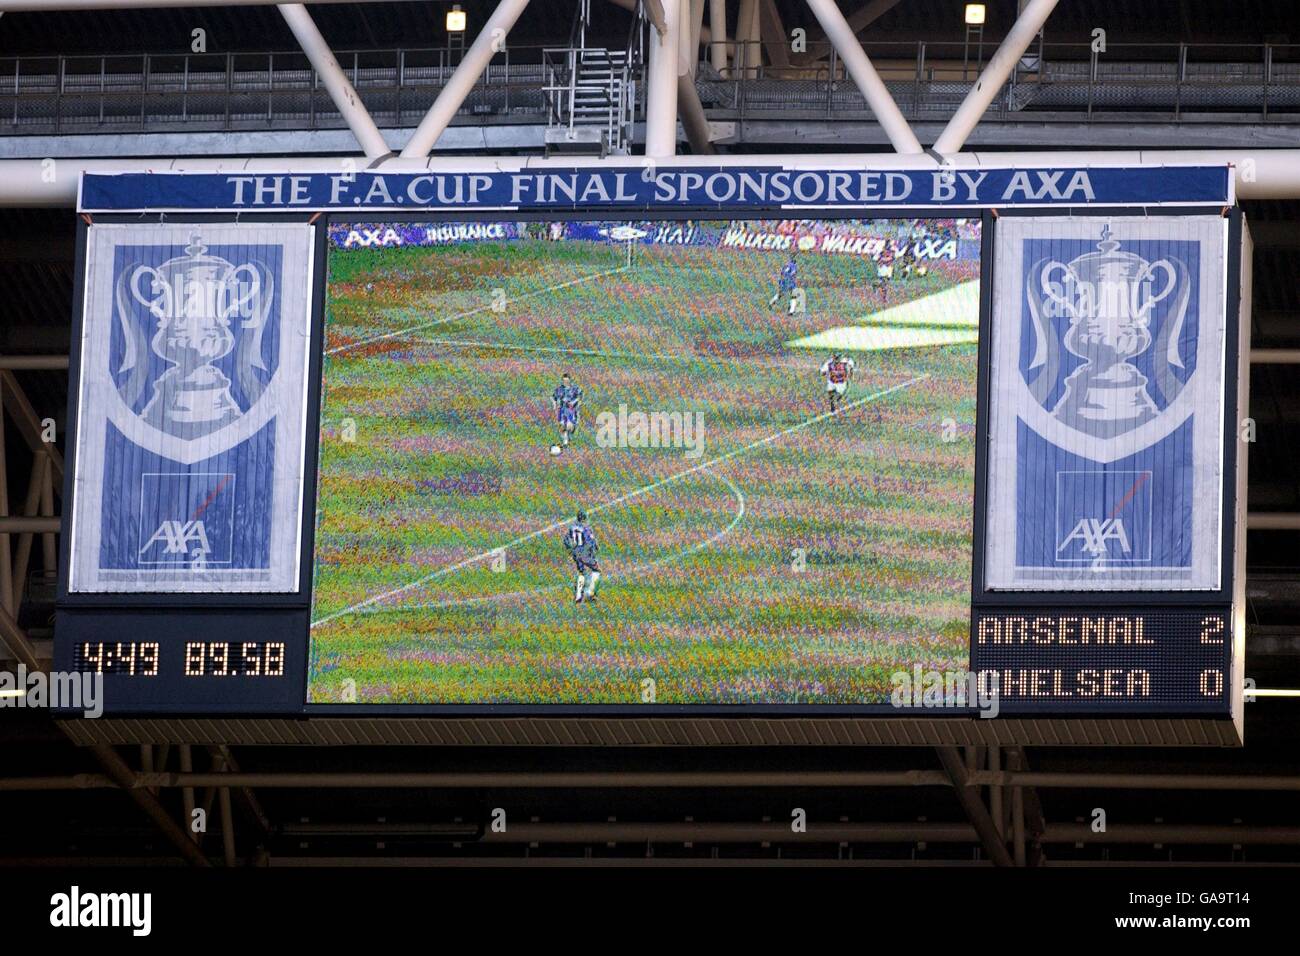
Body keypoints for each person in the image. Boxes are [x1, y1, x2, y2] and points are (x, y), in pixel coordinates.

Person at [564, 510, 601, 604]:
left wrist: (570, 550)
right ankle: (591, 593)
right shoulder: (586, 528)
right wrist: (594, 550)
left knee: (581, 572)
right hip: (584, 552)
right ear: (584, 518)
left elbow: (566, 540)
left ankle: (578, 596)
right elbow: (590, 541)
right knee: (596, 570)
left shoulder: (572, 527)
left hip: (576, 552)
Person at [551, 373, 583, 450]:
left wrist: (574, 402)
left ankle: (571, 434)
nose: (565, 382)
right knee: (562, 426)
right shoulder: (559, 389)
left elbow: (580, 397)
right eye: (564, 381)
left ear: (569, 380)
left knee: (570, 427)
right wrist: (554, 405)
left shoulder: (574, 389)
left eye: (567, 381)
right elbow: (553, 397)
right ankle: (565, 442)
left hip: (571, 410)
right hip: (562, 410)